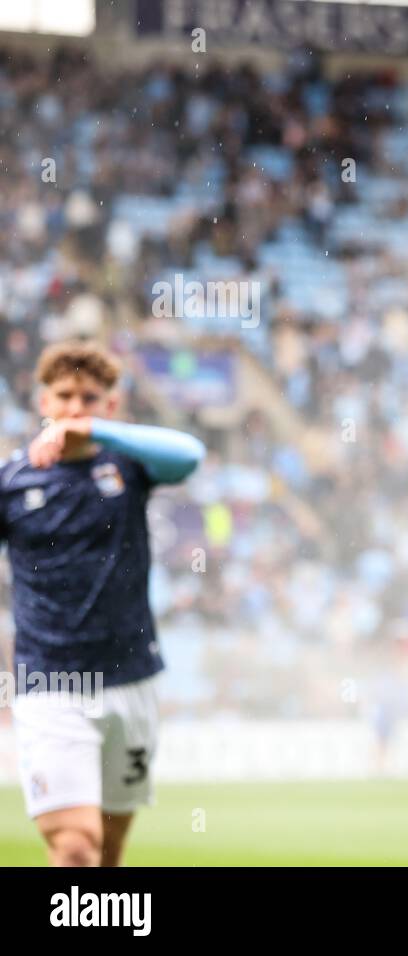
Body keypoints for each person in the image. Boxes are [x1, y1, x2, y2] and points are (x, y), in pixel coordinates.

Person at [0, 340, 205, 866]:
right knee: (75, 845)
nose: (74, 407)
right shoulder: (12, 482)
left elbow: (189, 456)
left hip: (132, 677)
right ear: (43, 400)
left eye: (89, 398)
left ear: (110, 407)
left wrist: (92, 433)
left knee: (109, 853)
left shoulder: (130, 466)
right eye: (64, 395)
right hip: (52, 681)